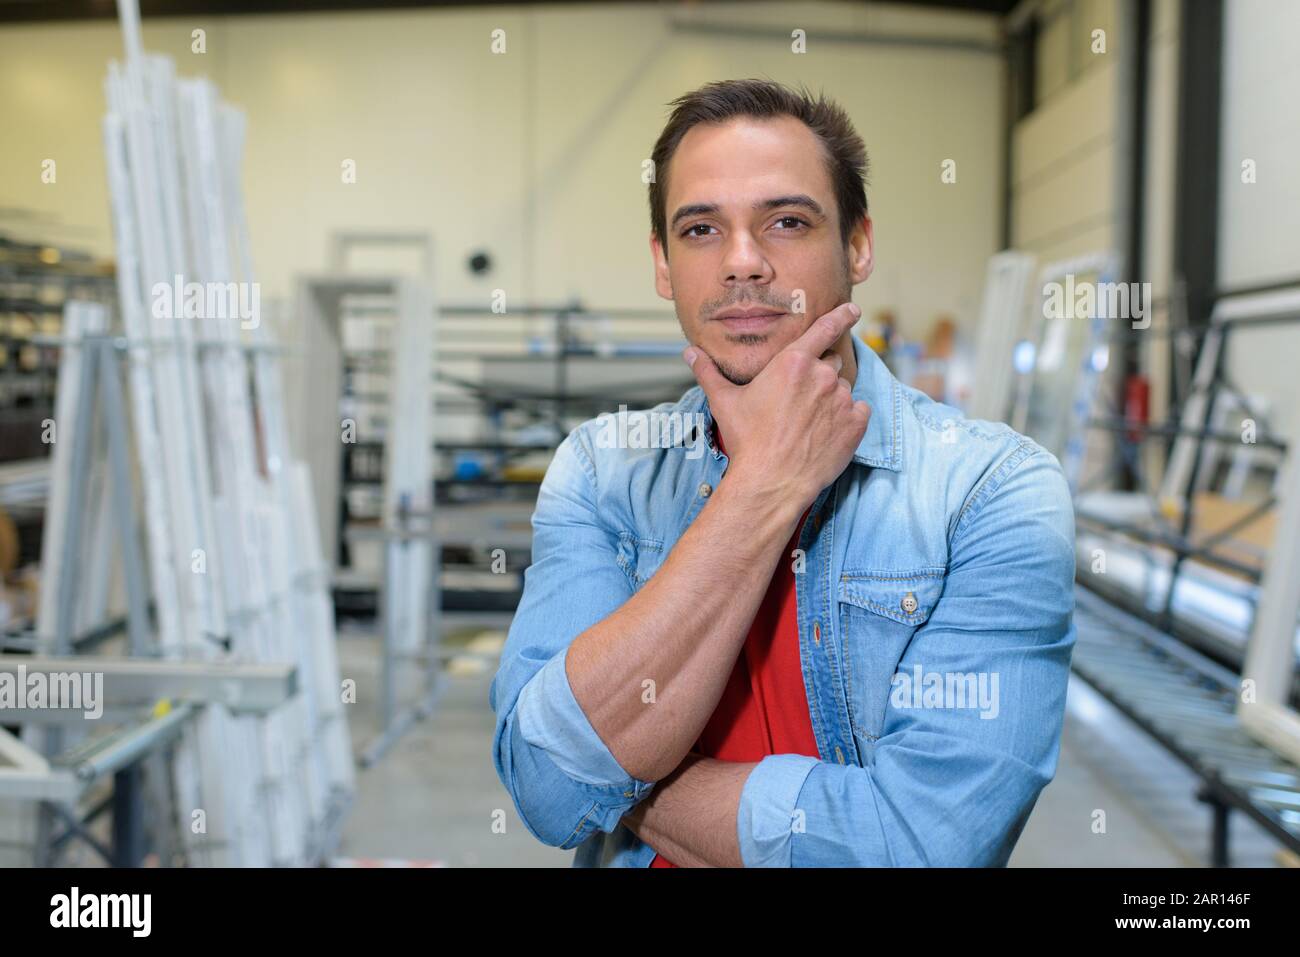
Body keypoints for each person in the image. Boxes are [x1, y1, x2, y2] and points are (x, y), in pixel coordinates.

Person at [489, 78, 1076, 867]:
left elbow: (920, 846)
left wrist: (629, 775)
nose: (742, 262)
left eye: (787, 221)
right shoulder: (603, 470)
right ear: (663, 264)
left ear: (858, 244)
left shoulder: (993, 491)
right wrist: (763, 484)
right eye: (700, 229)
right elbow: (545, 787)